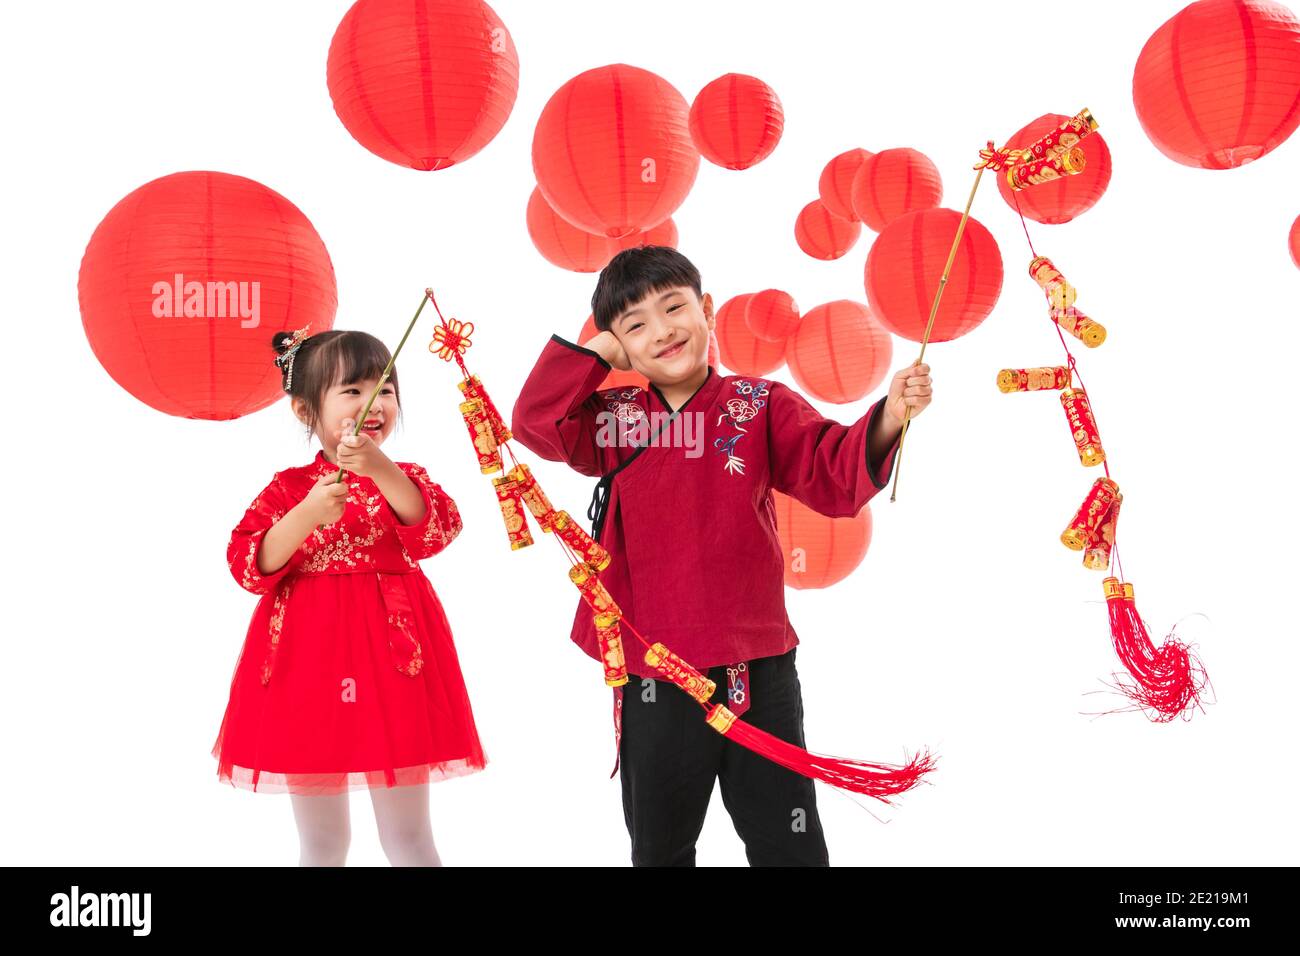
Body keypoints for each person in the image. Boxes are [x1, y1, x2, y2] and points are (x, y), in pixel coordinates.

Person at [510, 246, 932, 866]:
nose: (663, 330)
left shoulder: (759, 405)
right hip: (655, 669)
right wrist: (602, 352)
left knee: (789, 843)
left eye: (675, 307)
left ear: (706, 310)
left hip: (757, 666)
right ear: (620, 345)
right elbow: (535, 422)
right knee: (661, 847)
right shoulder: (619, 420)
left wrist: (893, 413)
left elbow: (834, 473)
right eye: (636, 325)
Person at [211, 325, 487, 866]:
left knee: (408, 836)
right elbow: (249, 564)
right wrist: (308, 513)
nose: (374, 403)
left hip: (395, 660)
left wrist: (381, 471)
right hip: (306, 663)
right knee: (322, 841)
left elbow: (436, 529)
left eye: (385, 389)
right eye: (353, 390)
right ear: (304, 410)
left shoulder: (403, 477)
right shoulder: (290, 488)